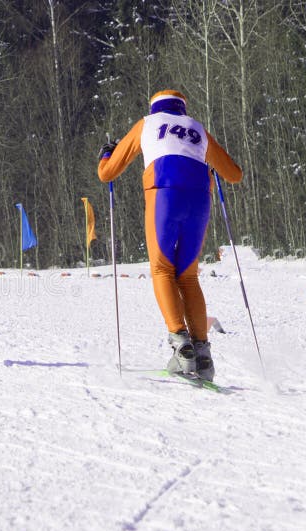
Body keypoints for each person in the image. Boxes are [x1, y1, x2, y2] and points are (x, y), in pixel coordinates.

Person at [97, 89, 242, 381]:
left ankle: (181, 348)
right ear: (183, 108)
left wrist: (105, 155)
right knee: (188, 276)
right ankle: (203, 355)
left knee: (162, 269)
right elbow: (234, 174)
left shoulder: (146, 124)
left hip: (164, 194)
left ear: (154, 106)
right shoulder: (198, 129)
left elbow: (107, 173)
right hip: (200, 198)